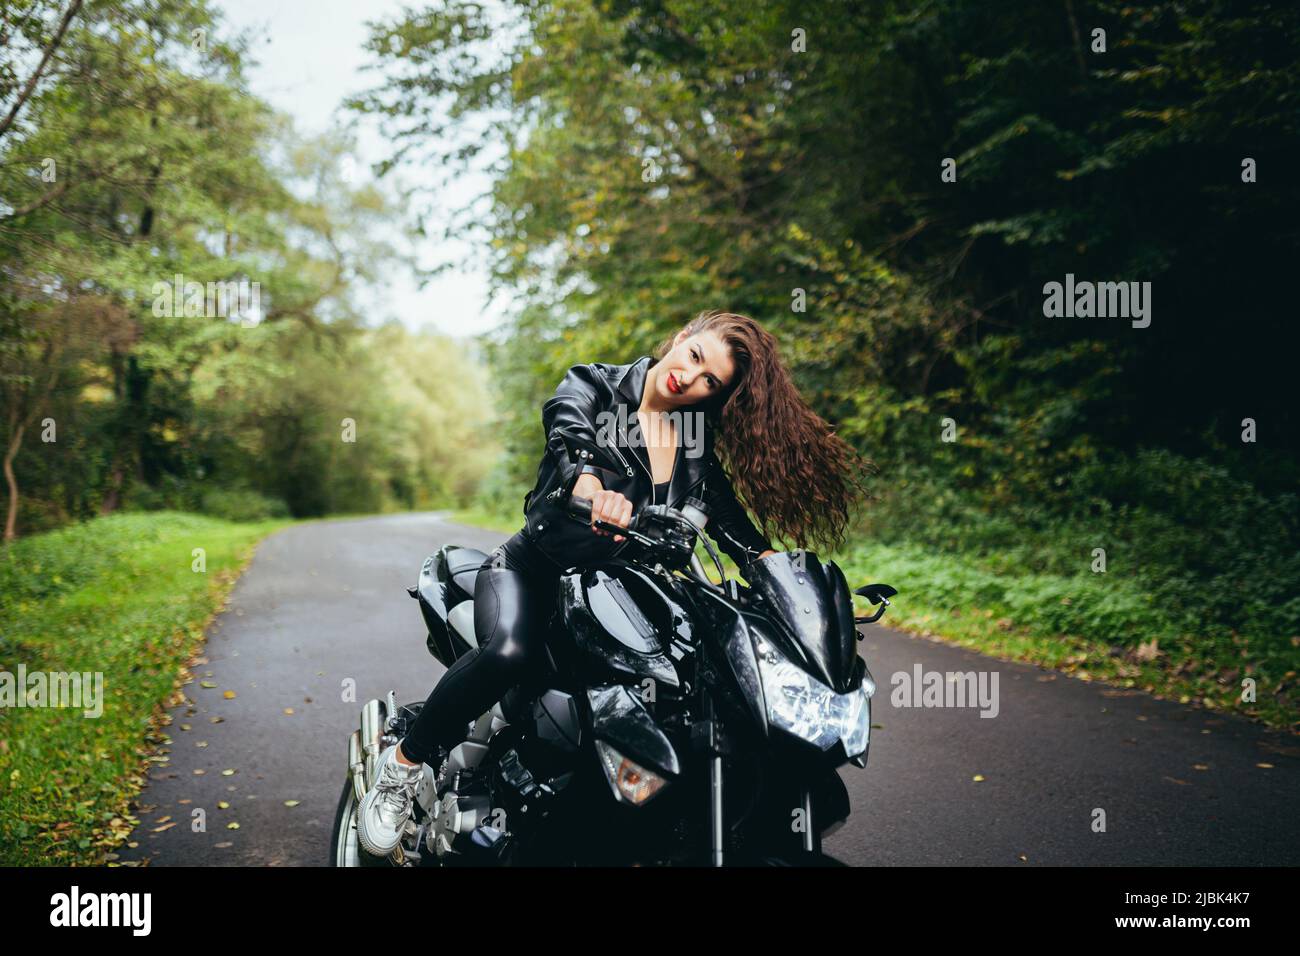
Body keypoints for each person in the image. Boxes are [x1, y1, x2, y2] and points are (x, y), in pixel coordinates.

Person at [357, 309, 867, 856]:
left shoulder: (694, 443)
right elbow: (568, 426)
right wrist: (589, 480)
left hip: (623, 602)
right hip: (536, 574)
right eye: (694, 357)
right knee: (509, 651)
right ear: (681, 338)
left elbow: (740, 535)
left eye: (709, 381)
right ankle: (405, 763)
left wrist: (794, 590)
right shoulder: (596, 386)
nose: (690, 378)